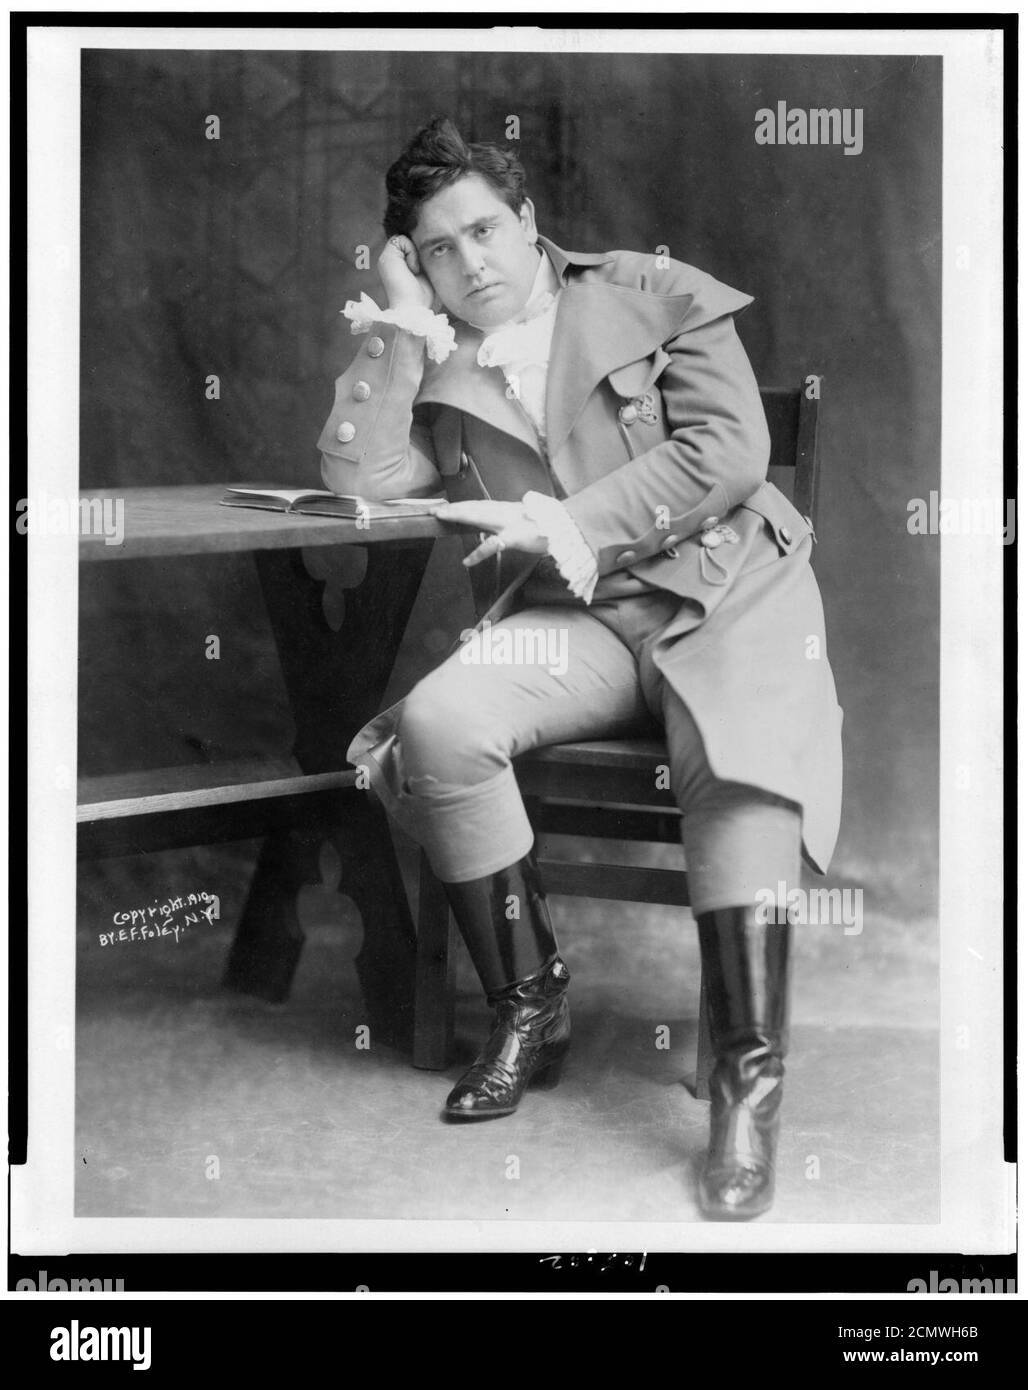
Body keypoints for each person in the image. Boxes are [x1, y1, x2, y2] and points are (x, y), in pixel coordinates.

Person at [317, 116, 843, 1220]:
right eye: (439, 251)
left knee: (739, 762)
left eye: (484, 232)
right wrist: (399, 324)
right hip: (588, 617)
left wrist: (566, 518)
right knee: (444, 721)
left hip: (728, 594)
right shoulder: (443, 350)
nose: (473, 266)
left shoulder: (654, 291)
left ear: (529, 223)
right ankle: (530, 1002)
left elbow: (728, 451)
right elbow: (360, 473)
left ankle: (745, 1091)